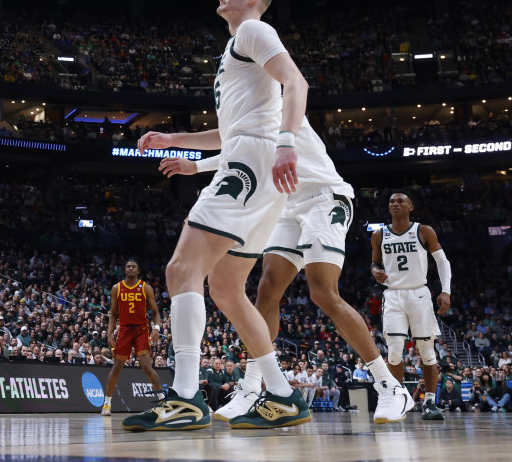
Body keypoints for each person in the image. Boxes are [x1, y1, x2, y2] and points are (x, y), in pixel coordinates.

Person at [123, 0, 311, 432]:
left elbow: (296, 82)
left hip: (253, 162)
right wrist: (182, 147)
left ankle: (186, 396)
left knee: (181, 270)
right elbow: (234, 131)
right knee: (227, 290)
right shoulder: (238, 48)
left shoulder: (252, 29)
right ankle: (284, 395)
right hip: (255, 164)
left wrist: (288, 142)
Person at [163, 115, 414, 424]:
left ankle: (390, 385)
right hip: (288, 205)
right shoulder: (251, 112)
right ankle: (251, 388)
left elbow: (234, 138)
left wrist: (195, 161)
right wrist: (194, 164)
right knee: (266, 290)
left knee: (322, 293)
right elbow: (237, 140)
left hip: (325, 198)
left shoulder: (277, 105)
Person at [371, 191, 452, 421]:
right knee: (394, 351)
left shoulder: (423, 230)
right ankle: (398, 399)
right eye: (391, 202)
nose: (395, 204)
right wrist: (376, 272)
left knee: (427, 352)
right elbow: (374, 264)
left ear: (410, 207)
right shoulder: (379, 234)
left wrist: (445, 290)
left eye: (400, 201)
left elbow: (442, 261)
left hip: (419, 294)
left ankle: (429, 402)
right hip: (393, 295)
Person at [102, 259, 162, 415]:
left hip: (142, 330)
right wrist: (110, 332)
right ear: (124, 270)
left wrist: (156, 328)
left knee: (147, 367)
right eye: (128, 266)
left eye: (133, 266)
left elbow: (155, 312)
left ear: (138, 270)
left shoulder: (145, 288)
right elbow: (114, 313)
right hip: (125, 330)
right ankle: (107, 403)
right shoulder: (117, 288)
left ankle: (162, 399)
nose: (130, 268)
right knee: (116, 367)